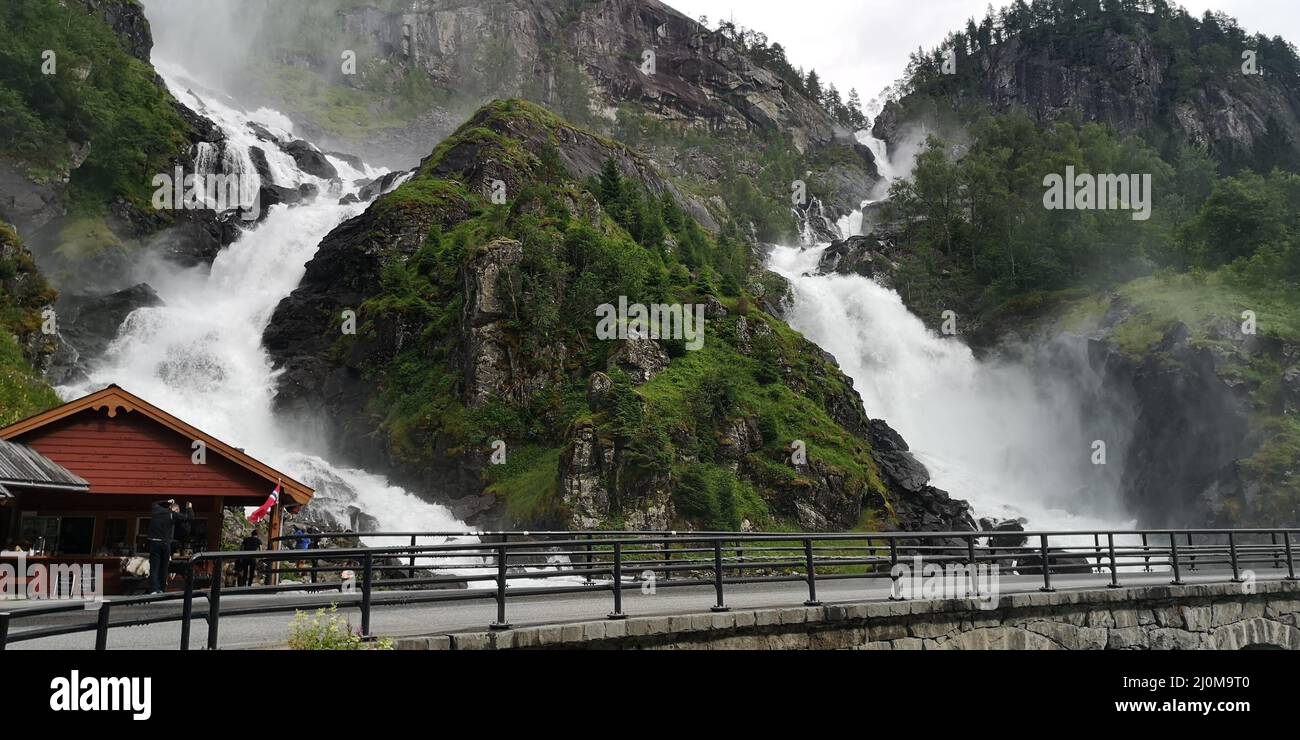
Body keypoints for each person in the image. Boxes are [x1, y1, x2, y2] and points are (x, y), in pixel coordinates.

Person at [147, 499, 192, 594]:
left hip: (154, 542)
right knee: (164, 567)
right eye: (178, 511)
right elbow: (189, 518)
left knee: (154, 567)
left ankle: (154, 589)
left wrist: (167, 501)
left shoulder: (157, 510)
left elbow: (154, 503)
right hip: (165, 543)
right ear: (175, 510)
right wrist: (189, 508)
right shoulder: (172, 514)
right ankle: (162, 588)